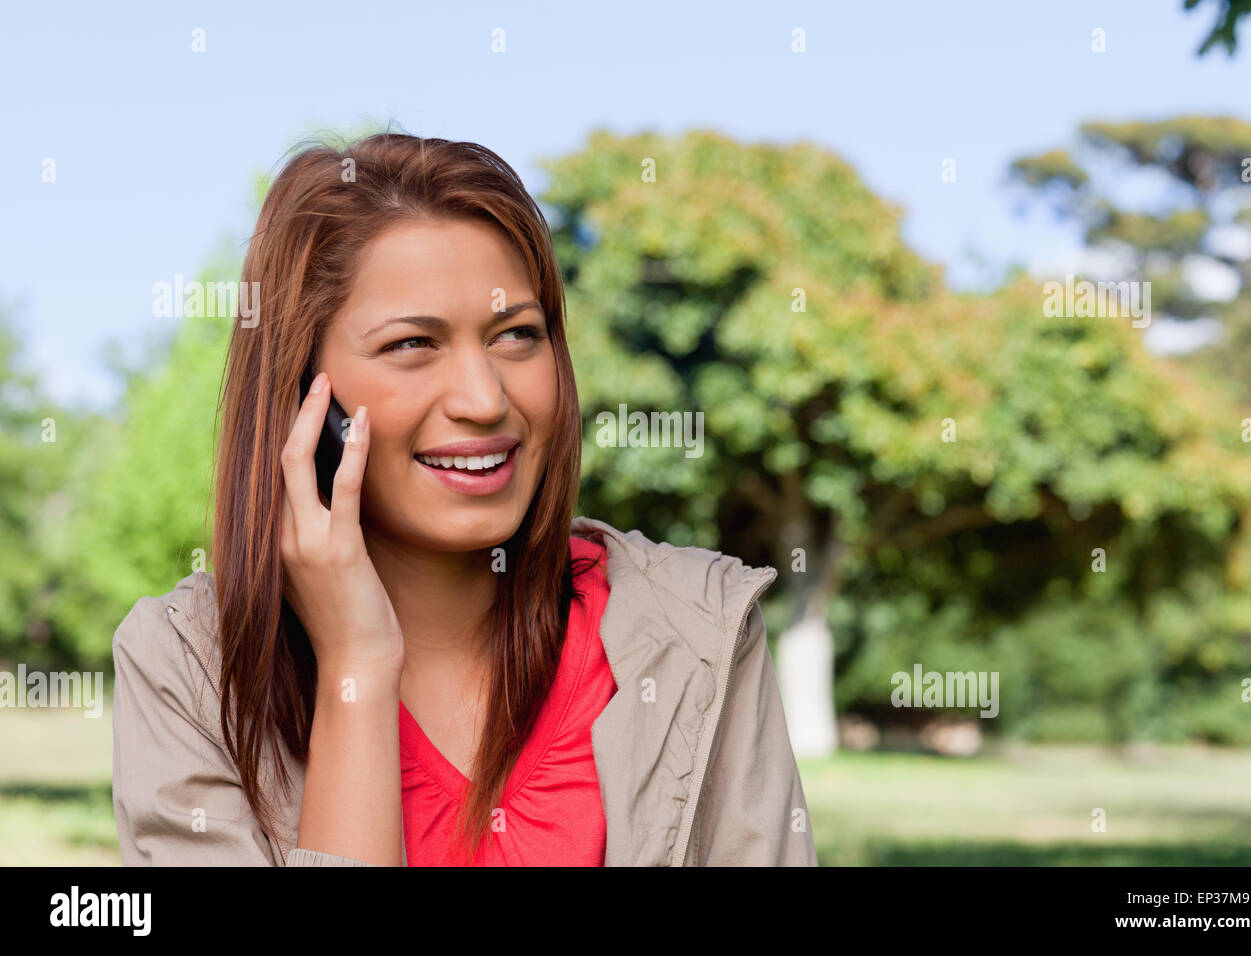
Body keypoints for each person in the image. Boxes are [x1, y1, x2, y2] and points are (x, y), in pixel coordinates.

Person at [111, 132, 817, 866]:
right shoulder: (184, 666)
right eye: (413, 345)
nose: (485, 399)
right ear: (301, 395)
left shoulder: (698, 628)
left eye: (517, 335)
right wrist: (355, 666)